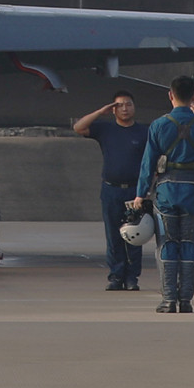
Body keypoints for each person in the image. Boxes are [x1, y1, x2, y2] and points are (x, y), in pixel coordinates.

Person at [130, 76, 194, 313]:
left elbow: (148, 163)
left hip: (166, 191)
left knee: (166, 243)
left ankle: (168, 299)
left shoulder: (159, 124)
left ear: (170, 95)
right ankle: (186, 300)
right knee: (190, 243)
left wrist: (140, 193)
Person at [74, 91, 148, 291]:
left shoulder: (144, 132)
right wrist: (100, 112)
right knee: (113, 235)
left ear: (134, 107)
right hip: (111, 190)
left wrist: (145, 191)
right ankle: (116, 276)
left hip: (135, 191)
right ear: (113, 109)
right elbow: (79, 127)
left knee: (134, 235)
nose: (125, 109)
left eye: (128, 104)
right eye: (119, 105)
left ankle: (132, 278)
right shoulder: (105, 129)